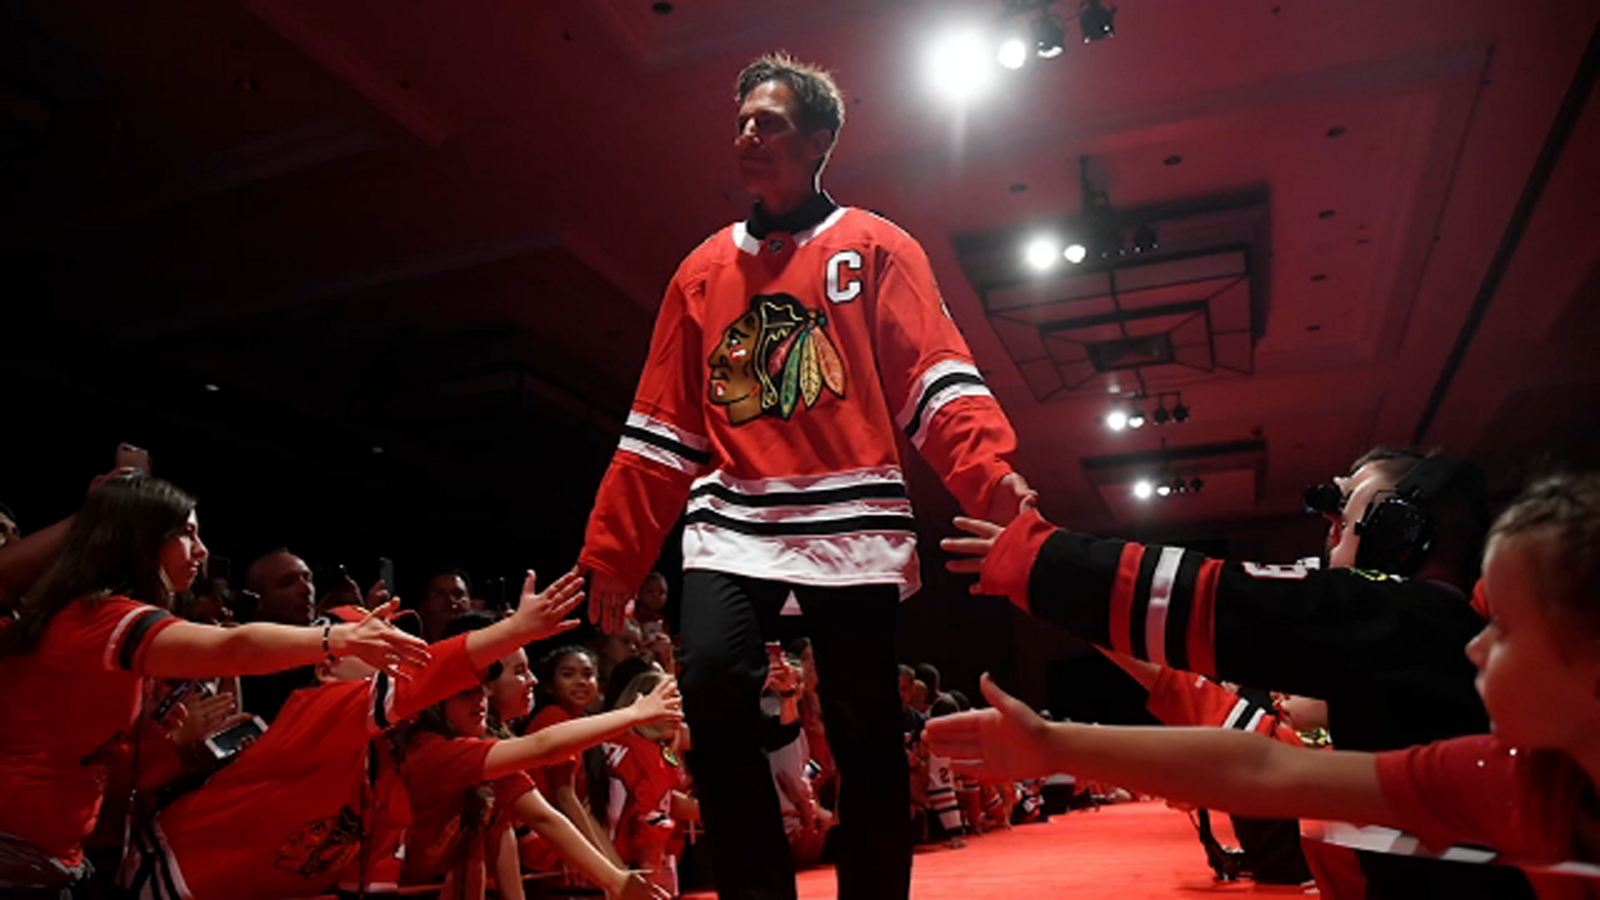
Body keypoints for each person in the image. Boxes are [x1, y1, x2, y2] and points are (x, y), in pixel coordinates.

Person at [578, 53, 1036, 899]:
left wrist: (988, 477)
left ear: (821, 138)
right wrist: (616, 547)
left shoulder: (878, 245)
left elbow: (933, 373)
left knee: (864, 733)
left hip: (851, 523)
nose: (750, 133)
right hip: (732, 520)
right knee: (712, 698)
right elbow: (662, 424)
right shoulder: (702, 268)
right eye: (743, 119)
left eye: (773, 121)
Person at [930, 471, 1600, 897]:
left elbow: (1234, 607)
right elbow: (1262, 768)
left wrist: (1041, 563)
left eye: (1505, 626)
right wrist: (1051, 744)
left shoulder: (1418, 613)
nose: (1478, 645)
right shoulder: (1508, 776)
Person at [0, 474, 429, 892]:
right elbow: (234, 645)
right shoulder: (97, 618)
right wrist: (340, 638)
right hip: (16, 853)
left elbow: (130, 769)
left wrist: (179, 746)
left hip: (58, 855)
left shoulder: (106, 625)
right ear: (142, 538)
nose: (202, 551)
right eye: (187, 534)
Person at [117, 569, 587, 900]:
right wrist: (514, 630)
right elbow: (424, 680)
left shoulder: (386, 760)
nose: (394, 650)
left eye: (395, 636)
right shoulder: (315, 708)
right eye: (374, 639)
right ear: (328, 664)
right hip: (177, 880)